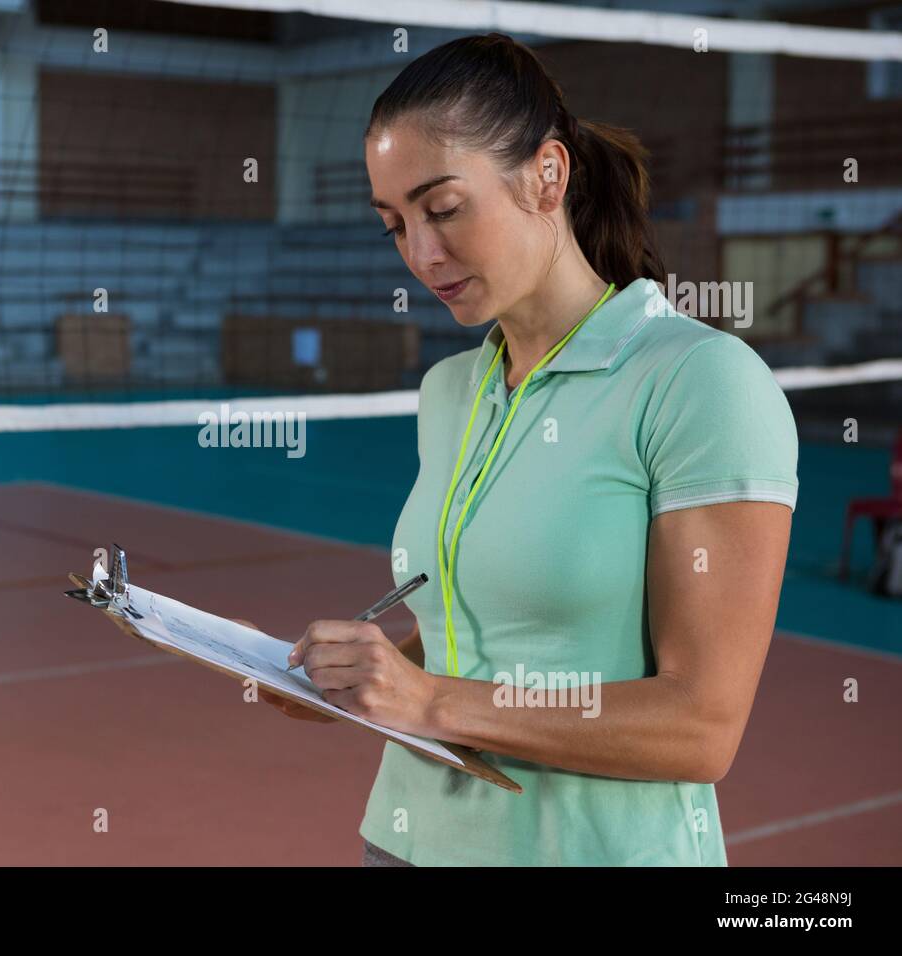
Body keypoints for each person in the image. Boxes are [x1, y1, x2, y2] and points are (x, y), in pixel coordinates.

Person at [247, 33, 798, 866]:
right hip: (403, 842)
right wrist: (360, 683)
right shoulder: (449, 391)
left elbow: (701, 727)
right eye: (395, 224)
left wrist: (429, 702)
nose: (421, 255)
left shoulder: (698, 382)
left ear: (548, 174)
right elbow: (477, 627)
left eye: (443, 209)